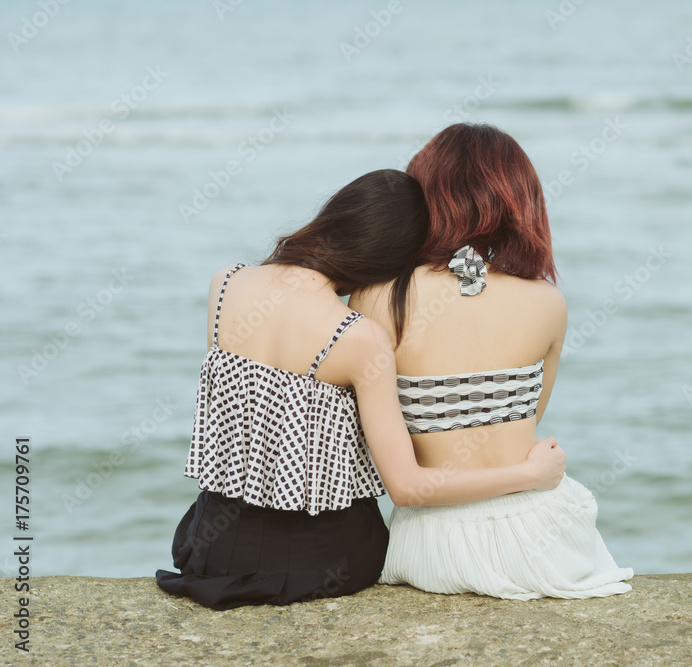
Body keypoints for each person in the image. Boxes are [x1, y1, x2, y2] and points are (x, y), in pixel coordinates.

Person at [155, 169, 566, 610]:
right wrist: (529, 475)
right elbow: (407, 487)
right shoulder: (357, 338)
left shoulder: (225, 283)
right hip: (321, 560)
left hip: (212, 547)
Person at [351, 125, 633, 600]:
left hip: (434, 542)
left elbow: (393, 463)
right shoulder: (548, 301)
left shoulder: (377, 299)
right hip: (546, 534)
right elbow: (530, 418)